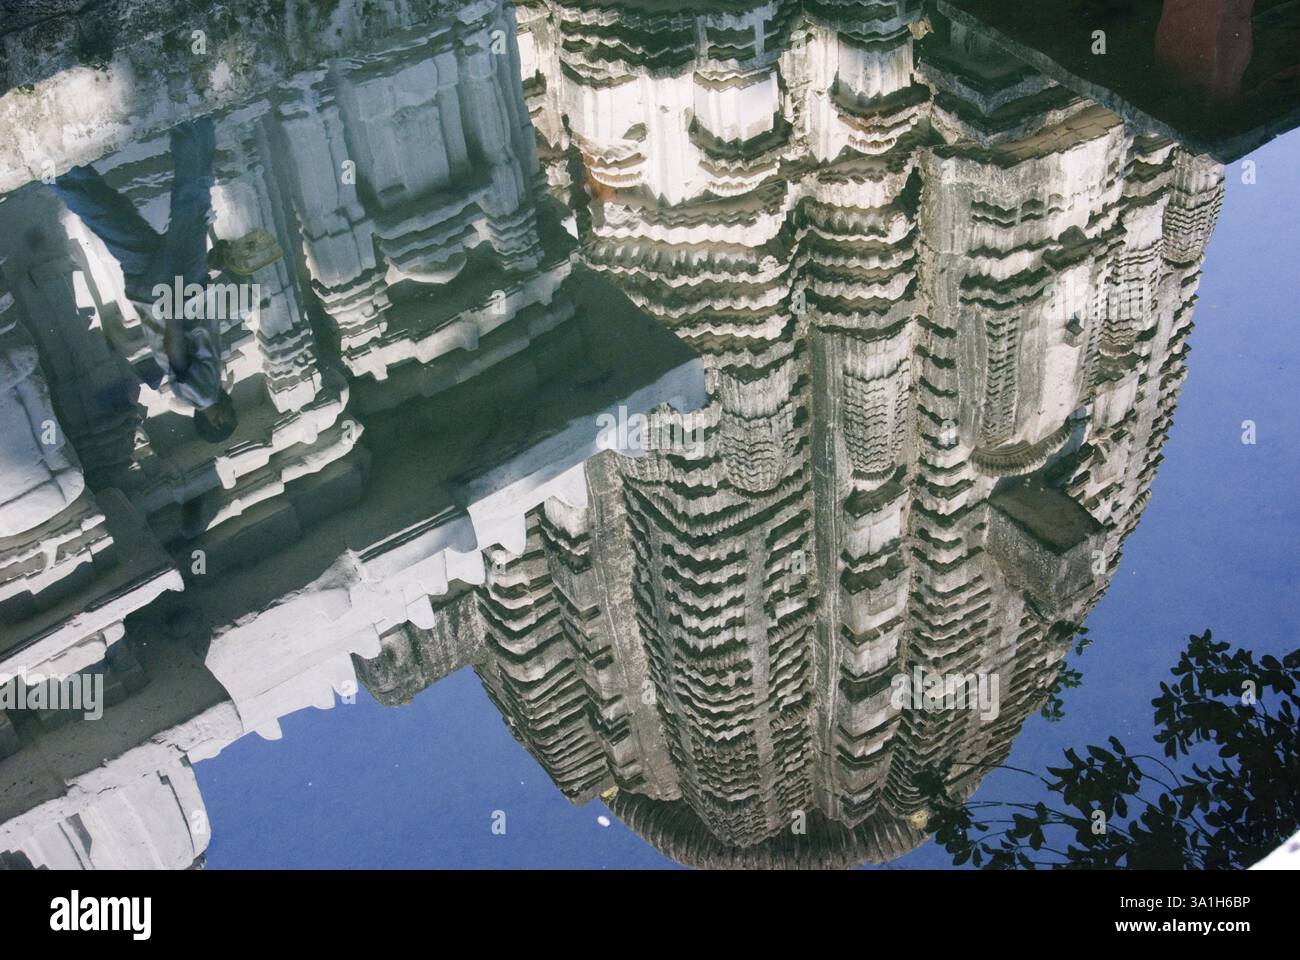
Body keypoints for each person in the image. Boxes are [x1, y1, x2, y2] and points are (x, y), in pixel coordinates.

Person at [50, 117, 251, 444]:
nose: (232, 409)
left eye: (230, 417)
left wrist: (173, 299)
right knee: (113, 219)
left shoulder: (204, 392)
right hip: (148, 294)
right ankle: (57, 174)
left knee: (193, 204)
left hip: (174, 292)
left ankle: (194, 124)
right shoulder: (193, 393)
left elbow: (177, 349)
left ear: (216, 421)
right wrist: (208, 271)